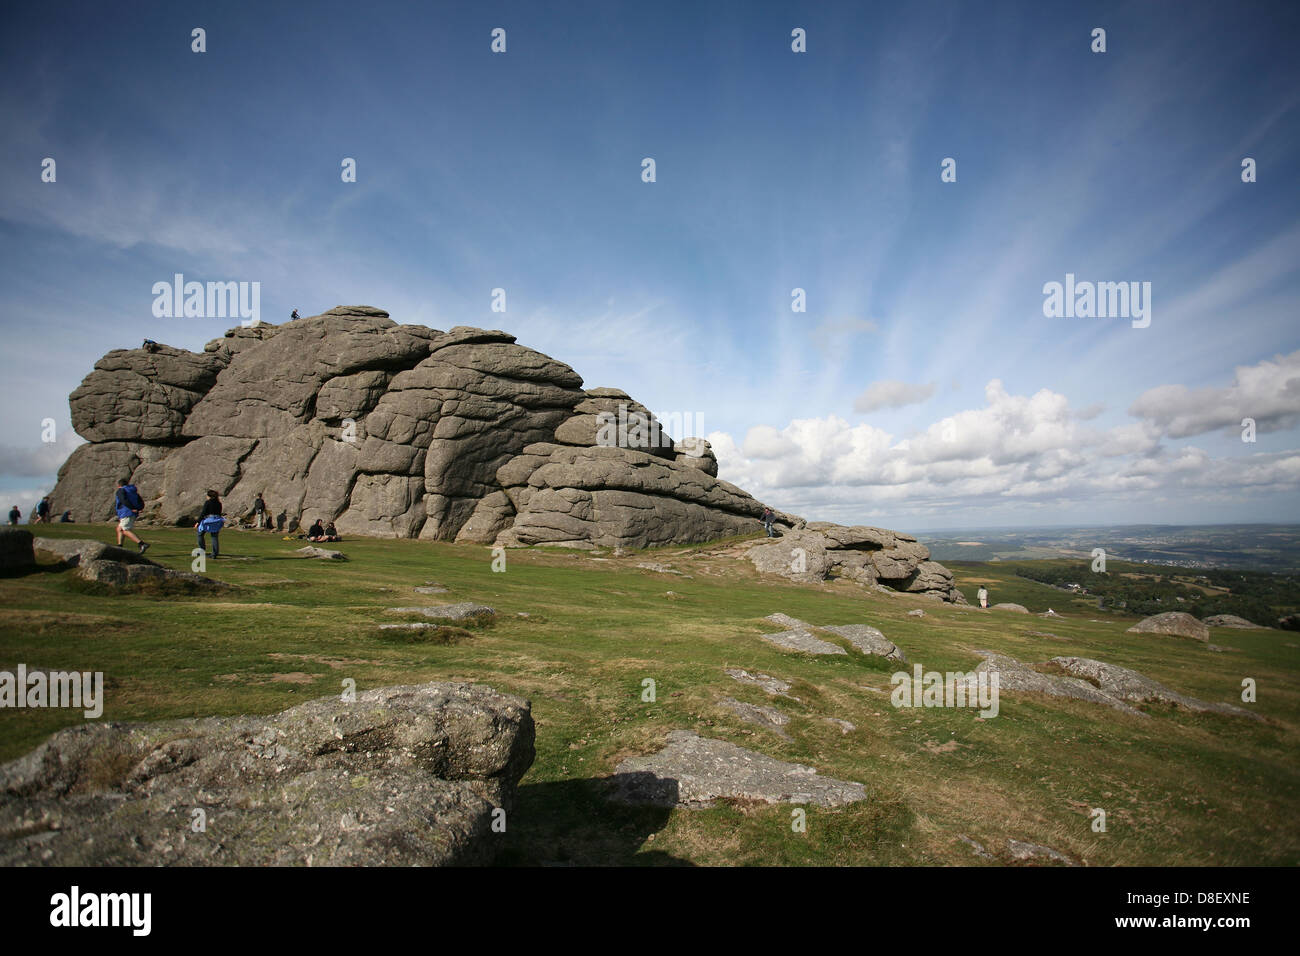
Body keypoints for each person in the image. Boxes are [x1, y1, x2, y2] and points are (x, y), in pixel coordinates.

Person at [114, 480, 150, 553]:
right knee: (119, 528)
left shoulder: (121, 490)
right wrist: (139, 508)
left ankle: (142, 544)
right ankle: (120, 546)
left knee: (125, 530)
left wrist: (131, 508)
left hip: (126, 512)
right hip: (131, 512)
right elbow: (140, 501)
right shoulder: (133, 491)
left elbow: (123, 500)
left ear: (119, 485)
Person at [195, 490, 225, 558]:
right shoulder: (219, 503)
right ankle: (214, 553)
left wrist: (198, 522)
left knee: (200, 534)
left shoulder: (208, 502)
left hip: (208, 520)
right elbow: (219, 513)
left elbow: (203, 512)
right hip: (217, 520)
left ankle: (201, 551)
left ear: (209, 496)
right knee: (214, 536)